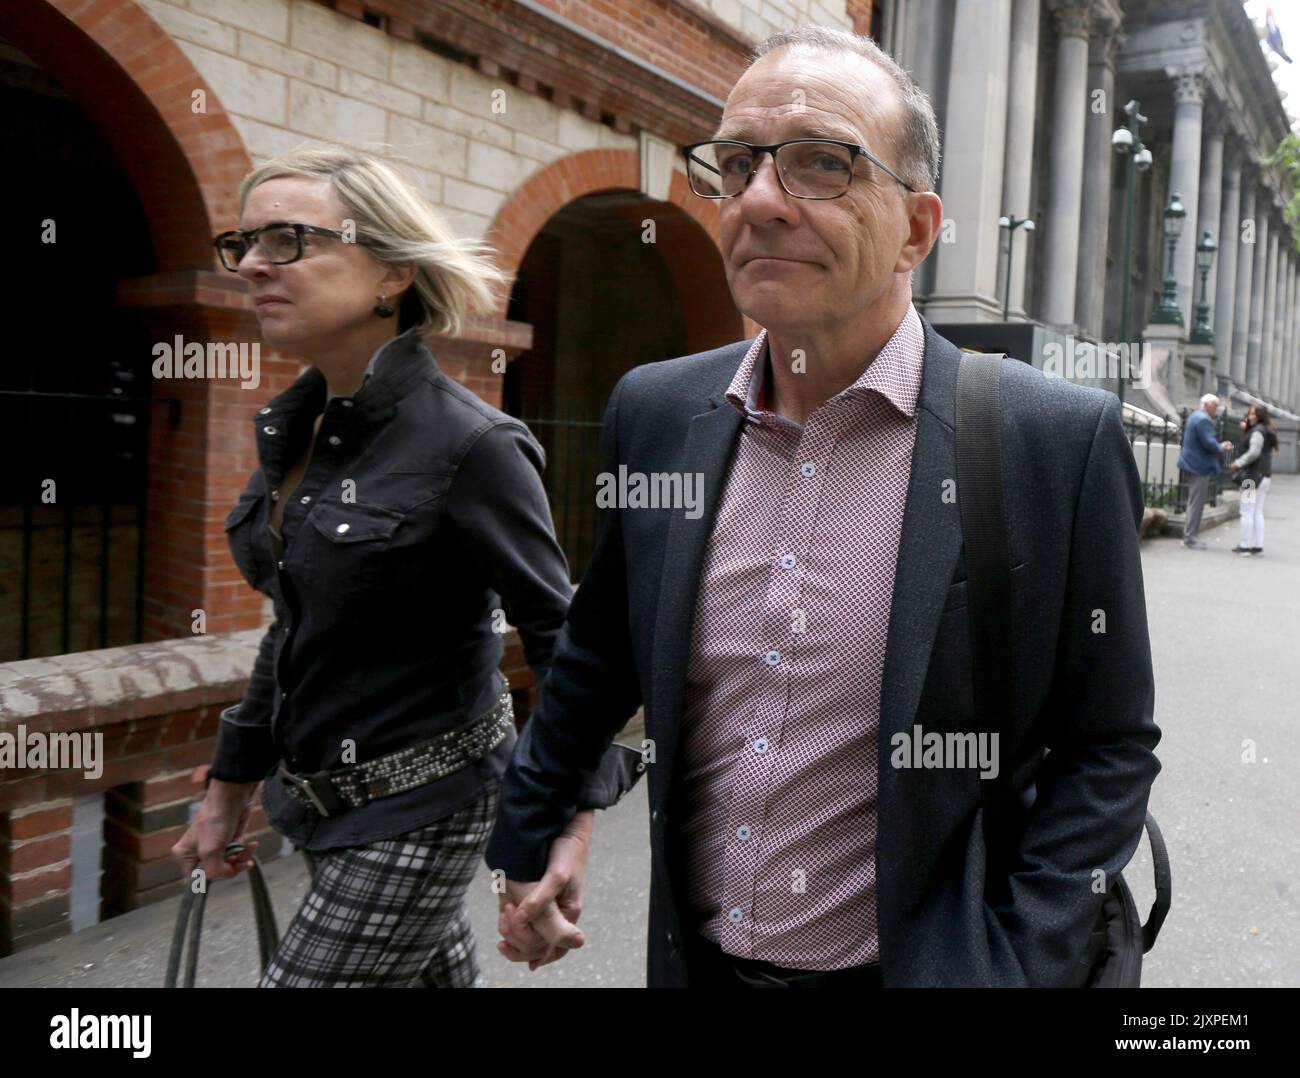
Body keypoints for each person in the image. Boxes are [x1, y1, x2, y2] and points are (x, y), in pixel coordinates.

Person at [485, 26, 1162, 987]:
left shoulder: (1052, 442)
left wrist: (1018, 964)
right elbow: (598, 657)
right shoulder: (658, 410)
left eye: (820, 165)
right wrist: (535, 829)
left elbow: (1109, 745)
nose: (757, 200)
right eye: (734, 165)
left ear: (917, 230)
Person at [170, 147, 635, 987]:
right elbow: (296, 622)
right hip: (317, 805)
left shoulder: (471, 445)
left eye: (288, 241)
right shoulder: (298, 429)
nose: (253, 268)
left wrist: (563, 827)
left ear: (388, 273)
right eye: (244, 243)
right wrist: (230, 784)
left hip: (427, 807)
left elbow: (568, 643)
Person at [1176, 393, 1235, 549]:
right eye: (1215, 406)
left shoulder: (1196, 416)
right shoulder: (1203, 419)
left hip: (1191, 464)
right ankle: (1190, 537)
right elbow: (1210, 443)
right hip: (1199, 466)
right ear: (1207, 404)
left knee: (1193, 502)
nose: (1217, 409)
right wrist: (1223, 446)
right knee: (1196, 503)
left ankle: (1190, 536)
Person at [1230, 403, 1278, 556]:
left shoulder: (1257, 432)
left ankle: (1244, 546)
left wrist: (1237, 463)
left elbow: (1254, 452)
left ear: (1259, 417)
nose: (1249, 417)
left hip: (1251, 478)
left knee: (1246, 511)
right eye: (1249, 414)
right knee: (1257, 511)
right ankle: (1258, 545)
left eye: (1253, 414)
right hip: (1264, 476)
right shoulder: (1267, 431)